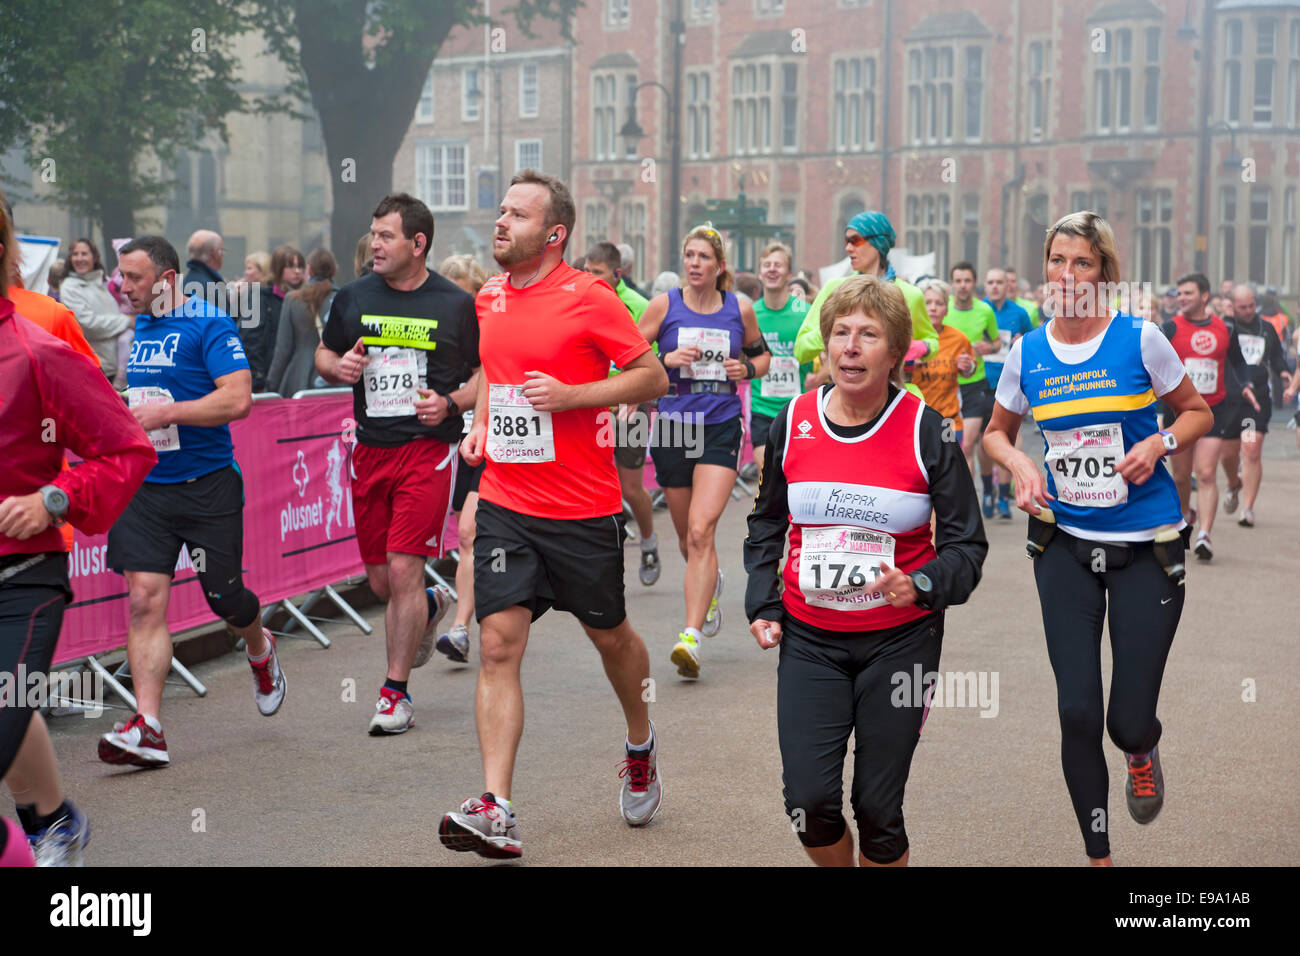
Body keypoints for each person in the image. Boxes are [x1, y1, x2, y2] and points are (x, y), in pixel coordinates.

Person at [439, 170, 668, 858]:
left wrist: (574, 396)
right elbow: (493, 376)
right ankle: (497, 805)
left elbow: (650, 376)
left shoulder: (590, 297)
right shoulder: (486, 298)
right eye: (501, 211)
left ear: (554, 232)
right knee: (500, 644)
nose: (500, 222)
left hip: (582, 509)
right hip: (508, 501)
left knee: (611, 638)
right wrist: (478, 422)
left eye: (516, 214)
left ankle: (639, 742)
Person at [983, 211, 1213, 866]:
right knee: (1078, 711)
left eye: (1083, 262)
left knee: (1124, 721)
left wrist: (1159, 442)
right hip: (1064, 546)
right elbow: (997, 431)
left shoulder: (1142, 340)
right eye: (1058, 260)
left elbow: (1197, 412)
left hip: (1147, 545)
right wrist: (1021, 464)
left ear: (1105, 273)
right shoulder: (1027, 351)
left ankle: (1143, 748)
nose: (1068, 274)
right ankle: (1099, 856)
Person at [745, 274, 987, 867]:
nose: (850, 346)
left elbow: (967, 546)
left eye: (868, 334)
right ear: (826, 345)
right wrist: (763, 603)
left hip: (900, 642)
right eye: (841, 333)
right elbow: (766, 521)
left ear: (896, 352)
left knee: (878, 810)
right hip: (809, 640)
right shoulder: (793, 422)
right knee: (809, 801)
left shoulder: (927, 430)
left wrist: (922, 583)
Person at [1, 197, 156, 866]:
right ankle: (53, 822)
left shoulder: (38, 347)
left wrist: (55, 496)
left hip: (18, 579)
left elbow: (126, 450)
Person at [98, 235, 286, 768]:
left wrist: (167, 413)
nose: (124, 286)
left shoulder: (209, 323)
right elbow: (144, 397)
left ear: (169, 278)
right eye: (123, 276)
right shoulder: (141, 326)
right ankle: (150, 726)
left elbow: (238, 399)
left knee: (226, 601)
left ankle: (259, 647)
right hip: (147, 488)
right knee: (143, 600)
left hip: (208, 484)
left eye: (135, 278)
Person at [317, 195, 475, 734]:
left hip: (427, 451)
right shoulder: (353, 297)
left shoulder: (455, 304)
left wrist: (451, 403)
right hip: (370, 450)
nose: (375, 244)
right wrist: (339, 365)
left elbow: (486, 376)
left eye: (386, 236)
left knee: (404, 566)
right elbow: (324, 351)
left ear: (418, 243)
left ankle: (394, 694)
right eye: (373, 233)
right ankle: (430, 604)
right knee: (383, 582)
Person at [637, 223, 771, 678]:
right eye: (689, 256)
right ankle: (709, 586)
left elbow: (763, 355)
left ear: (719, 267)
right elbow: (627, 357)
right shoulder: (664, 306)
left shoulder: (740, 308)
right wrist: (663, 361)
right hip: (674, 428)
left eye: (703, 257)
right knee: (685, 538)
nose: (694, 264)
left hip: (719, 426)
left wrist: (746, 368)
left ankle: (689, 637)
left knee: (701, 531)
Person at [1160, 272, 1256, 560]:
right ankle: (1184, 517)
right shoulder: (1169, 328)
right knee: (1179, 478)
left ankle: (1204, 535)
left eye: (1188, 293)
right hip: (1177, 412)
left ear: (1204, 296)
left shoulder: (1225, 329)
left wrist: (1248, 385)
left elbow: (1239, 362)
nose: (1182, 298)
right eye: (1179, 294)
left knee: (1205, 474)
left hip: (1213, 410)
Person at [583, 241, 661, 587]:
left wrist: (635, 393)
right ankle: (597, 558)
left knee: (630, 488)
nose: (589, 277)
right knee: (591, 483)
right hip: (590, 403)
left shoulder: (640, 306)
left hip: (629, 404)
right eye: (586, 270)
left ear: (617, 274)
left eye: (597, 272)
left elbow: (651, 363)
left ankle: (648, 542)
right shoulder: (580, 301)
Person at [793, 210, 939, 382]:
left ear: (878, 243)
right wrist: (832, 331)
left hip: (894, 393)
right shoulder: (835, 288)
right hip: (846, 391)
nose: (848, 248)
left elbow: (932, 340)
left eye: (855, 240)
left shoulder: (910, 294)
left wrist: (923, 347)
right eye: (846, 241)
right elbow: (800, 351)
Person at [436, 252, 490, 662]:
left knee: (470, 533)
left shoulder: (492, 327)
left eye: (462, 296)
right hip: (450, 442)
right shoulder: (440, 329)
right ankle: (440, 604)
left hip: (491, 442)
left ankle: (460, 627)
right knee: (466, 536)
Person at [1217, 284, 1286, 527]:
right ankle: (1233, 482)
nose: (1247, 311)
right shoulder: (1223, 328)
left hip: (1256, 400)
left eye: (1250, 306)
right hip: (1228, 399)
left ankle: (1247, 508)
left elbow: (1277, 358)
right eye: (1242, 307)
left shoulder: (1265, 328)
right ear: (1232, 305)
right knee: (1228, 454)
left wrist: (1284, 374)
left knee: (1251, 449)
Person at [941, 262, 1001, 508]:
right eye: (958, 281)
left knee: (966, 444)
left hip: (976, 385)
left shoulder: (984, 310)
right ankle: (966, 499)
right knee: (955, 446)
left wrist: (990, 347)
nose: (963, 285)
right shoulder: (944, 312)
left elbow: (996, 342)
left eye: (967, 280)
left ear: (974, 283)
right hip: (948, 387)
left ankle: (977, 498)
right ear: (952, 284)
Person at [750, 242, 812, 473]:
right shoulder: (750, 314)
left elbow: (829, 354)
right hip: (762, 408)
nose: (772, 269)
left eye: (778, 265)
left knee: (797, 478)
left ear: (789, 274)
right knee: (766, 477)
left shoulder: (804, 312)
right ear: (760, 272)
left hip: (799, 408)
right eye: (767, 265)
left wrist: (821, 375)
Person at [982, 267, 1035, 518]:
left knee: (1007, 438)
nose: (994, 287)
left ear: (1007, 286)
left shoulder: (1020, 313)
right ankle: (988, 491)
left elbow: (1032, 341)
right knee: (985, 439)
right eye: (990, 282)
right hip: (982, 380)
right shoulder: (980, 310)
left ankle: (1004, 496)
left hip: (1011, 383)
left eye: (999, 282)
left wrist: (1019, 341)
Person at [912, 278, 975, 445]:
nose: (933, 308)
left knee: (949, 468)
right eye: (928, 303)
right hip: (916, 420)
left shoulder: (958, 338)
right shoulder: (910, 337)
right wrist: (908, 366)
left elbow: (970, 371)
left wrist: (968, 367)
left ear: (946, 309)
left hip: (948, 420)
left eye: (939, 303)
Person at [59, 238, 132, 381]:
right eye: (75, 254)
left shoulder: (105, 282)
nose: (79, 258)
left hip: (117, 366)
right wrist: (127, 321)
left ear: (94, 257)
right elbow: (87, 324)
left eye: (84, 254)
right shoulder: (69, 288)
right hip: (95, 367)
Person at [267, 248, 337, 396]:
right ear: (334, 270)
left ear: (309, 270)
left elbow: (283, 349)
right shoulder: (344, 297)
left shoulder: (293, 299)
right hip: (336, 375)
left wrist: (271, 386)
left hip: (299, 377)